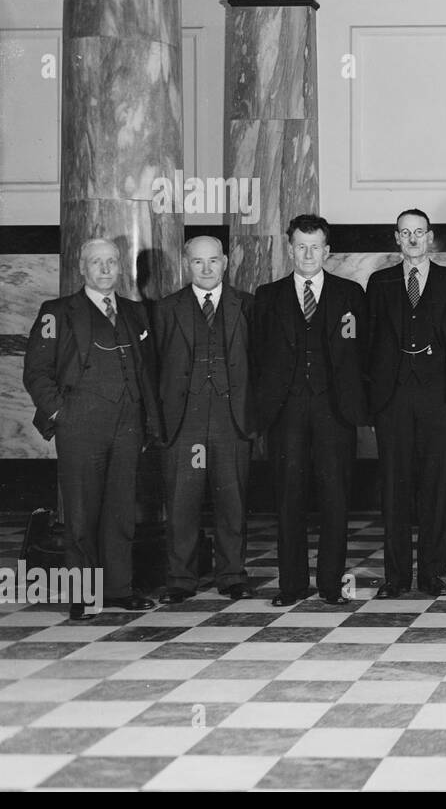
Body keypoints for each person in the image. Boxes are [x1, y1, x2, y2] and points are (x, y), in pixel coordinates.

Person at [23, 238, 161, 618]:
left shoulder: (135, 313)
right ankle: (83, 593)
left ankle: (118, 588)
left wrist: (148, 421)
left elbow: (148, 373)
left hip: (128, 425)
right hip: (80, 425)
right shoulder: (58, 312)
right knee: (81, 514)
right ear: (81, 268)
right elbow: (36, 372)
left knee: (121, 510)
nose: (104, 269)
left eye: (111, 262)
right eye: (96, 263)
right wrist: (62, 416)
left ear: (120, 268)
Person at [251, 215, 367, 607]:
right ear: (290, 249)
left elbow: (362, 355)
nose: (308, 253)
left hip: (335, 410)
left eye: (315, 246)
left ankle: (331, 585)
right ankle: (292, 585)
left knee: (336, 499)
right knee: (289, 499)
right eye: (300, 246)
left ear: (327, 251)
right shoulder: (267, 296)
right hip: (285, 412)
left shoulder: (351, 294)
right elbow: (255, 356)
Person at [366, 208, 446, 599]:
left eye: (419, 232)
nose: (412, 239)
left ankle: (431, 574)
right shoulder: (380, 281)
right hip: (392, 398)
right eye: (405, 233)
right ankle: (395, 577)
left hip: (437, 395)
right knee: (393, 487)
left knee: (435, 487)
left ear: (430, 236)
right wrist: (373, 403)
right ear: (396, 238)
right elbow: (369, 344)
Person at [154, 236, 256, 604]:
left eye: (213, 260)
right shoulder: (166, 309)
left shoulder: (246, 305)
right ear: (186, 264)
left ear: (226, 262)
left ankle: (233, 575)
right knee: (183, 500)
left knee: (233, 502)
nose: (207, 268)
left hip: (232, 418)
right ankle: (181, 578)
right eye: (198, 262)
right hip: (184, 420)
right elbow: (155, 368)